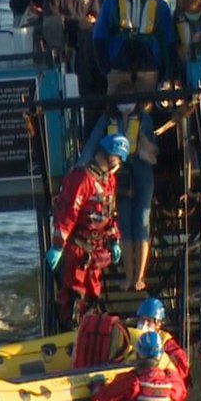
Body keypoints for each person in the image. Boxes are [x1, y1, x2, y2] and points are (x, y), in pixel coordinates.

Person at [78, 84, 158, 292]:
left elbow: (152, 146)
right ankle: (127, 275)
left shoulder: (144, 119)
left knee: (141, 221)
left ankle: (139, 276)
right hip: (118, 174)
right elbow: (92, 143)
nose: (126, 104)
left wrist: (144, 143)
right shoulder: (107, 120)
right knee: (123, 222)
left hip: (142, 172)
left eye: (130, 98)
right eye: (122, 99)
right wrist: (78, 169)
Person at [45, 134, 130, 328]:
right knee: (75, 295)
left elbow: (110, 214)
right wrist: (58, 247)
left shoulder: (109, 181)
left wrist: (114, 240)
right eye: (118, 158)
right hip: (78, 250)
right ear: (109, 154)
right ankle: (70, 331)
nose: (118, 164)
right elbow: (68, 213)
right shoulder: (81, 178)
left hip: (97, 251)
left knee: (93, 296)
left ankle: (89, 331)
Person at [93, 0, 177, 95]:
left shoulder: (160, 6)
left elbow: (168, 40)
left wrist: (168, 73)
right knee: (115, 107)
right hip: (118, 65)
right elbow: (99, 36)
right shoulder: (112, 2)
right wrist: (106, 69)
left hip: (148, 65)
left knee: (146, 106)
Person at [43, 0, 102, 111]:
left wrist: (89, 20)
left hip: (83, 38)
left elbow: (96, 14)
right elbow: (52, 15)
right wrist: (78, 22)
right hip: (61, 36)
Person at [91, 331, 188, 401]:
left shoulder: (132, 382)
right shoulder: (171, 384)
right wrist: (170, 373)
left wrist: (97, 386)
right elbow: (182, 392)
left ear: (138, 354)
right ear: (160, 356)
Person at [135, 297, 190, 383]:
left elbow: (182, 367)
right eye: (142, 320)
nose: (144, 324)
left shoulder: (166, 341)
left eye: (149, 321)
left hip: (159, 380)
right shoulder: (133, 336)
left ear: (158, 324)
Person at [171, 0, 201, 64]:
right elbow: (174, 40)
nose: (192, 15)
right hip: (186, 59)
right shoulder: (178, 16)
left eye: (194, 12)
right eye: (189, 12)